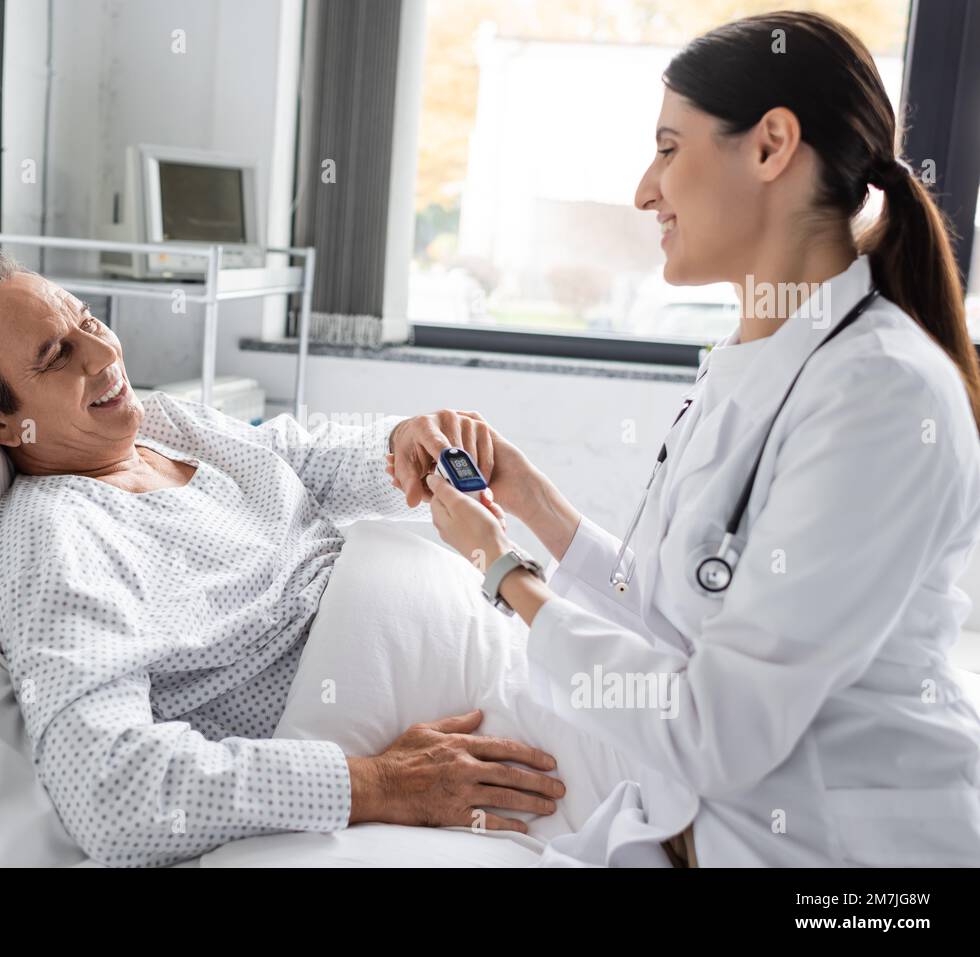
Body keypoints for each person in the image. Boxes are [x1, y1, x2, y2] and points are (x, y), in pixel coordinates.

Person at [404, 11, 980, 867]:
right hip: (695, 828)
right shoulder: (755, 359)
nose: (645, 190)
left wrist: (501, 570)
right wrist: (534, 505)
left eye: (669, 149)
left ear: (771, 145)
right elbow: (684, 616)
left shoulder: (880, 397)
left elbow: (715, 728)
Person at [0, 258, 563, 867]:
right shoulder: (53, 536)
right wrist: (382, 784)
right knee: (653, 768)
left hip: (495, 644)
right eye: (56, 355)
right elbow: (110, 790)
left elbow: (294, 460)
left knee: (654, 695)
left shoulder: (160, 423)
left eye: (87, 319)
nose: (103, 353)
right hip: (452, 727)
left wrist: (401, 444)